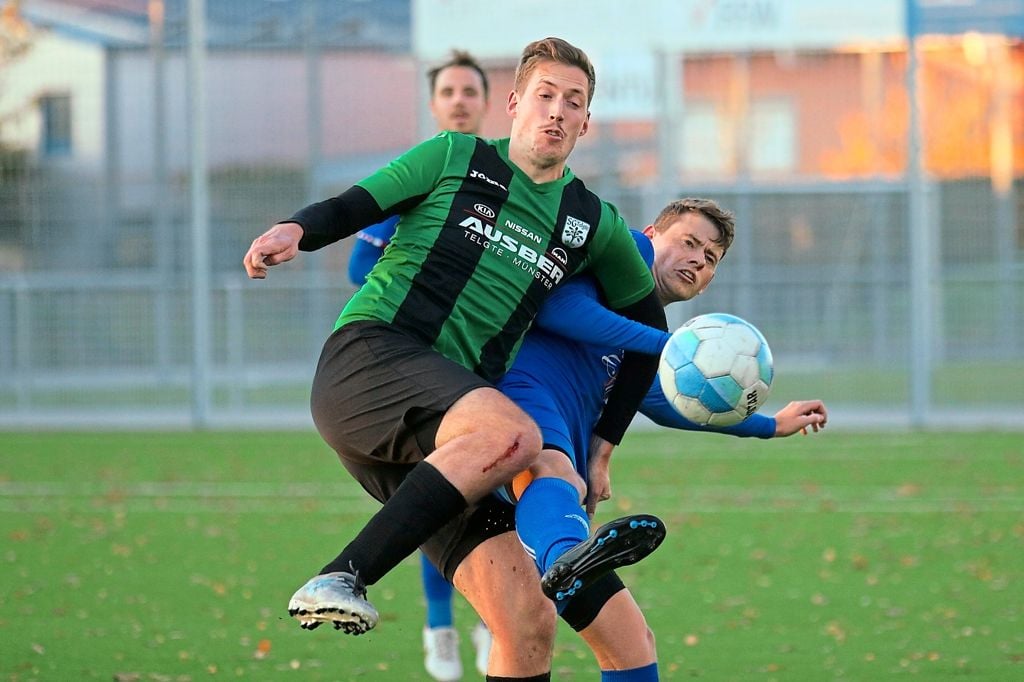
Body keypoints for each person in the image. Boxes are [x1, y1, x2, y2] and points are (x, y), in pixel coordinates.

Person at [243, 37, 668, 680]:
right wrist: (295, 230)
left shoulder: (592, 221)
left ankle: (363, 578)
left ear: (588, 123)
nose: (557, 112)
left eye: (573, 103)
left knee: (527, 618)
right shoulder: (454, 155)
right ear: (515, 103)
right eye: (545, 96)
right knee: (515, 434)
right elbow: (357, 205)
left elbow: (647, 328)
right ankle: (341, 576)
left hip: (447, 436)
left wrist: (605, 445)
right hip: (370, 359)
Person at [493, 197, 828, 679]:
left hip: (539, 487)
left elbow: (668, 402)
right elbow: (557, 308)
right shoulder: (623, 252)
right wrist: (672, 347)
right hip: (515, 404)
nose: (698, 259)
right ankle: (569, 555)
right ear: (651, 233)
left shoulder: (649, 337)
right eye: (689, 242)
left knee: (562, 636)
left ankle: (565, 555)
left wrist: (770, 425)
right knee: (558, 471)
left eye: (710, 258)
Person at [347, 48, 493, 682]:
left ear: (489, 103)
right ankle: (441, 631)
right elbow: (359, 269)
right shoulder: (418, 173)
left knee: (492, 492)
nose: (460, 100)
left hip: (487, 366)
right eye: (449, 91)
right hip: (418, 367)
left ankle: (493, 619)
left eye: (470, 90)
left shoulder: (509, 181)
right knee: (432, 497)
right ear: (434, 104)